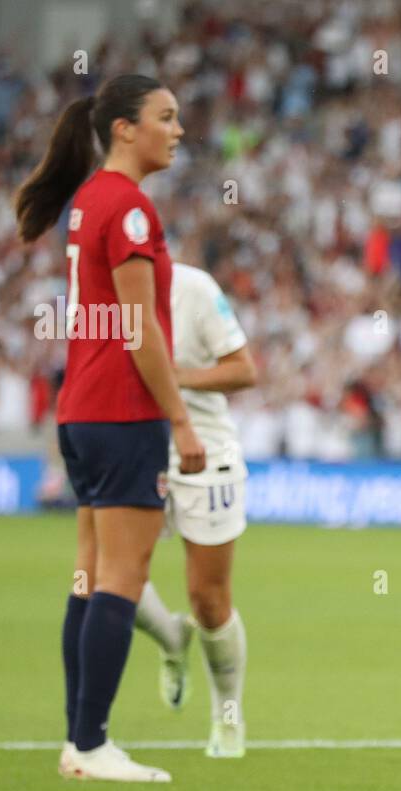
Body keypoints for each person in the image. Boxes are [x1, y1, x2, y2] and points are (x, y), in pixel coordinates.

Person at [15, 74, 204, 782]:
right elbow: (138, 330)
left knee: (90, 574)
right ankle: (92, 744)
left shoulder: (89, 200)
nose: (178, 130)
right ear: (125, 128)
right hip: (124, 412)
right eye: (166, 117)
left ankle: (78, 740)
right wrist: (179, 418)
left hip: (82, 410)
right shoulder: (127, 208)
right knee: (123, 574)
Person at [133, 261, 256, 758]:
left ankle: (228, 715)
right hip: (133, 449)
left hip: (204, 452)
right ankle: (170, 638)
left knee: (208, 598)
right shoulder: (93, 286)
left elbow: (244, 369)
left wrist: (173, 377)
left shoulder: (194, 288)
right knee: (110, 579)